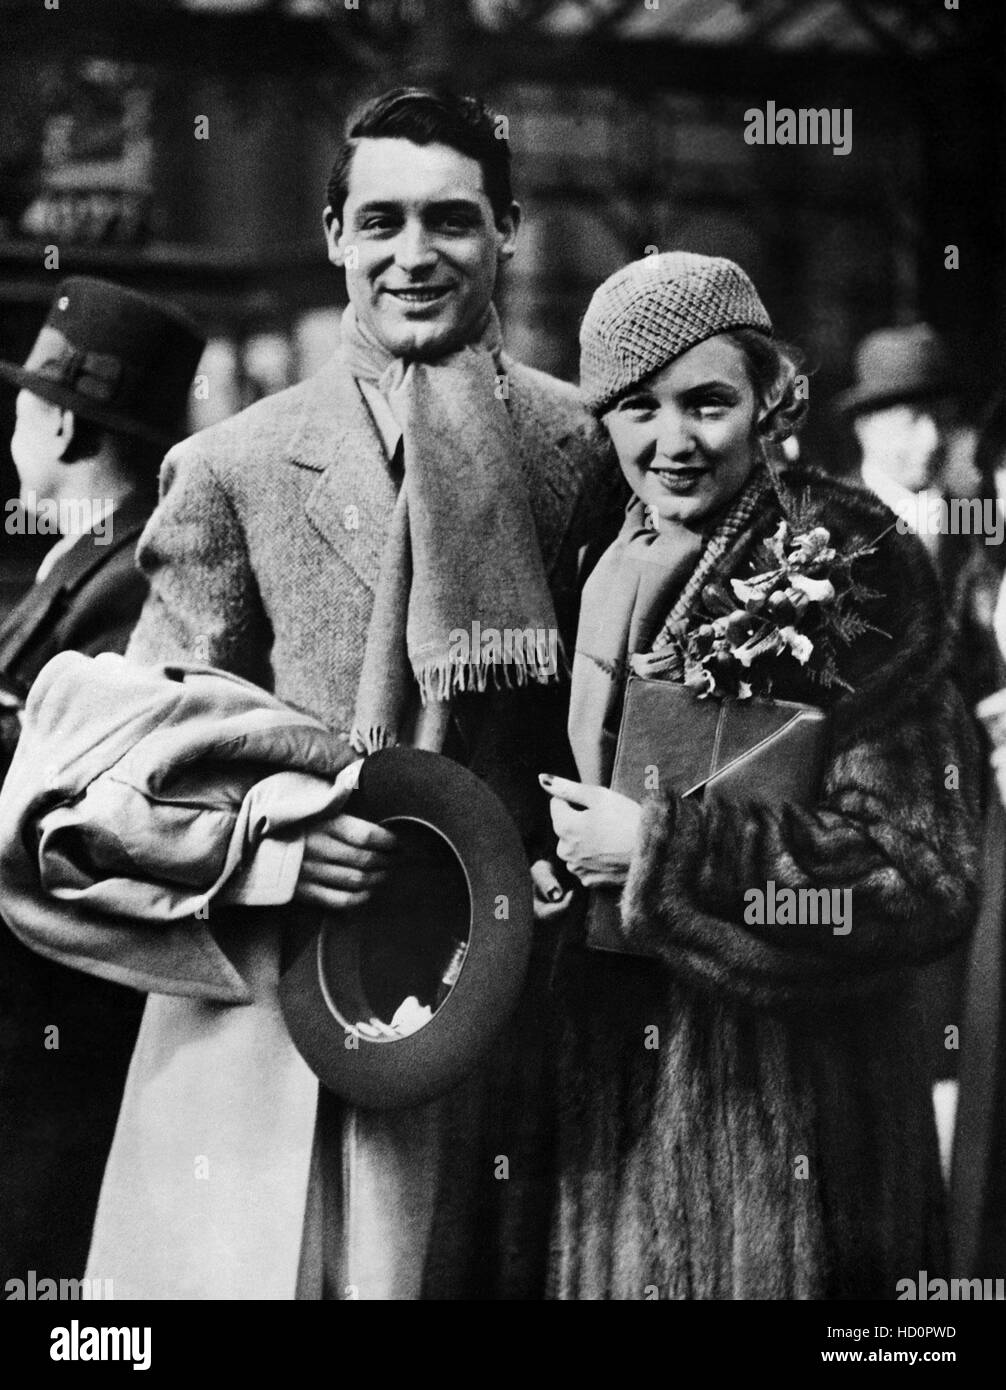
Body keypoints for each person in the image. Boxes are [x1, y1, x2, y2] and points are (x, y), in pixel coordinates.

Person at [2, 87, 617, 1300]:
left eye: (451, 219)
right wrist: (275, 842)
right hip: (279, 999)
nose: (413, 253)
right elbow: (138, 760)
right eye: (379, 219)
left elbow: (610, 713)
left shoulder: (584, 452)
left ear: (507, 229)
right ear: (334, 233)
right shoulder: (229, 468)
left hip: (504, 996)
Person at [541, 252, 980, 1299]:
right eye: (638, 409)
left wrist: (666, 852)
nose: (673, 441)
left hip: (797, 1138)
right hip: (614, 1122)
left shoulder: (850, 566)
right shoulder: (599, 559)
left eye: (708, 402)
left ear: (770, 399)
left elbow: (917, 877)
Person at [0, 277, 205, 1285]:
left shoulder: (135, 576)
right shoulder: (84, 564)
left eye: (24, 413)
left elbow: (81, 776)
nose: (11, 438)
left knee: (49, 1231)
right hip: (39, 980)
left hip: (64, 987)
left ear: (71, 431)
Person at [837, 322, 967, 600]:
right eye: (913, 420)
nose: (932, 439)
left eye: (942, 418)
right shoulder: (832, 520)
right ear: (865, 426)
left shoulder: (975, 514)